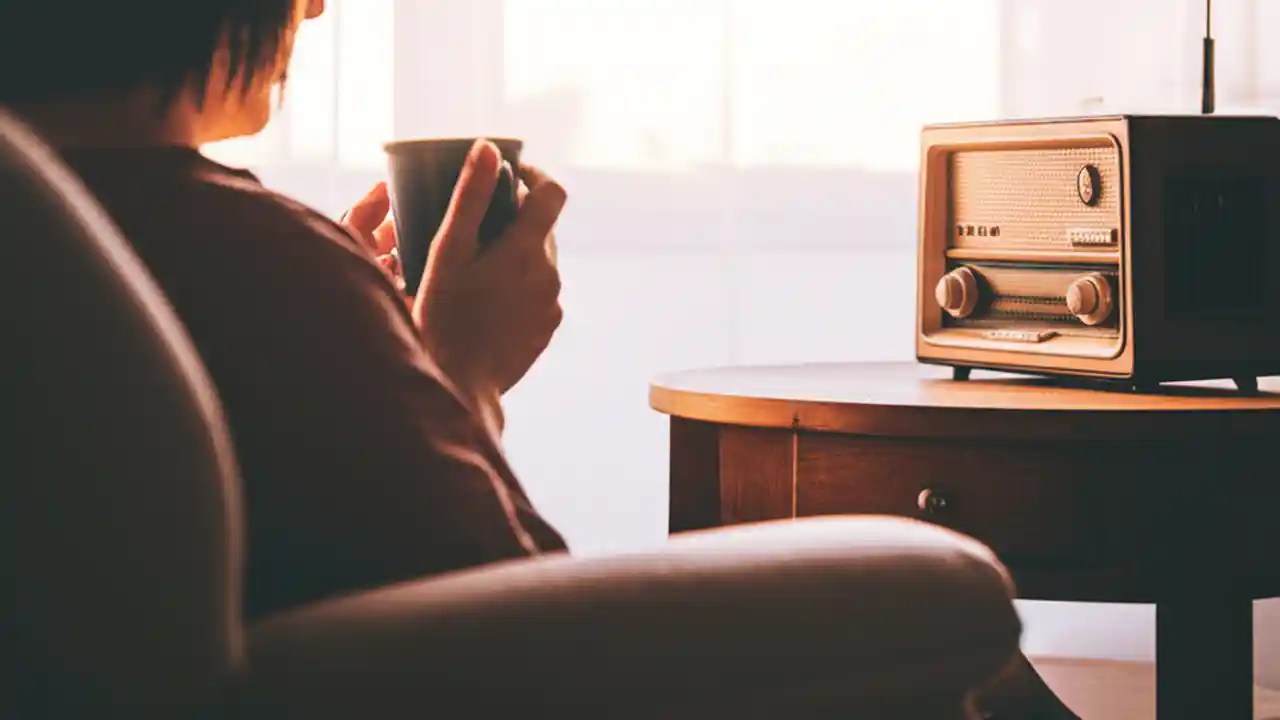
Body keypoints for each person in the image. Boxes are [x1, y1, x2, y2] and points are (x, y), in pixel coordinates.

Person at [1, 1, 1077, 716]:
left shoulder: (71, 241)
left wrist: (371, 356)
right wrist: (460, 375)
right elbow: (514, 629)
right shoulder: (255, 259)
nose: (316, 7)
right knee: (965, 627)